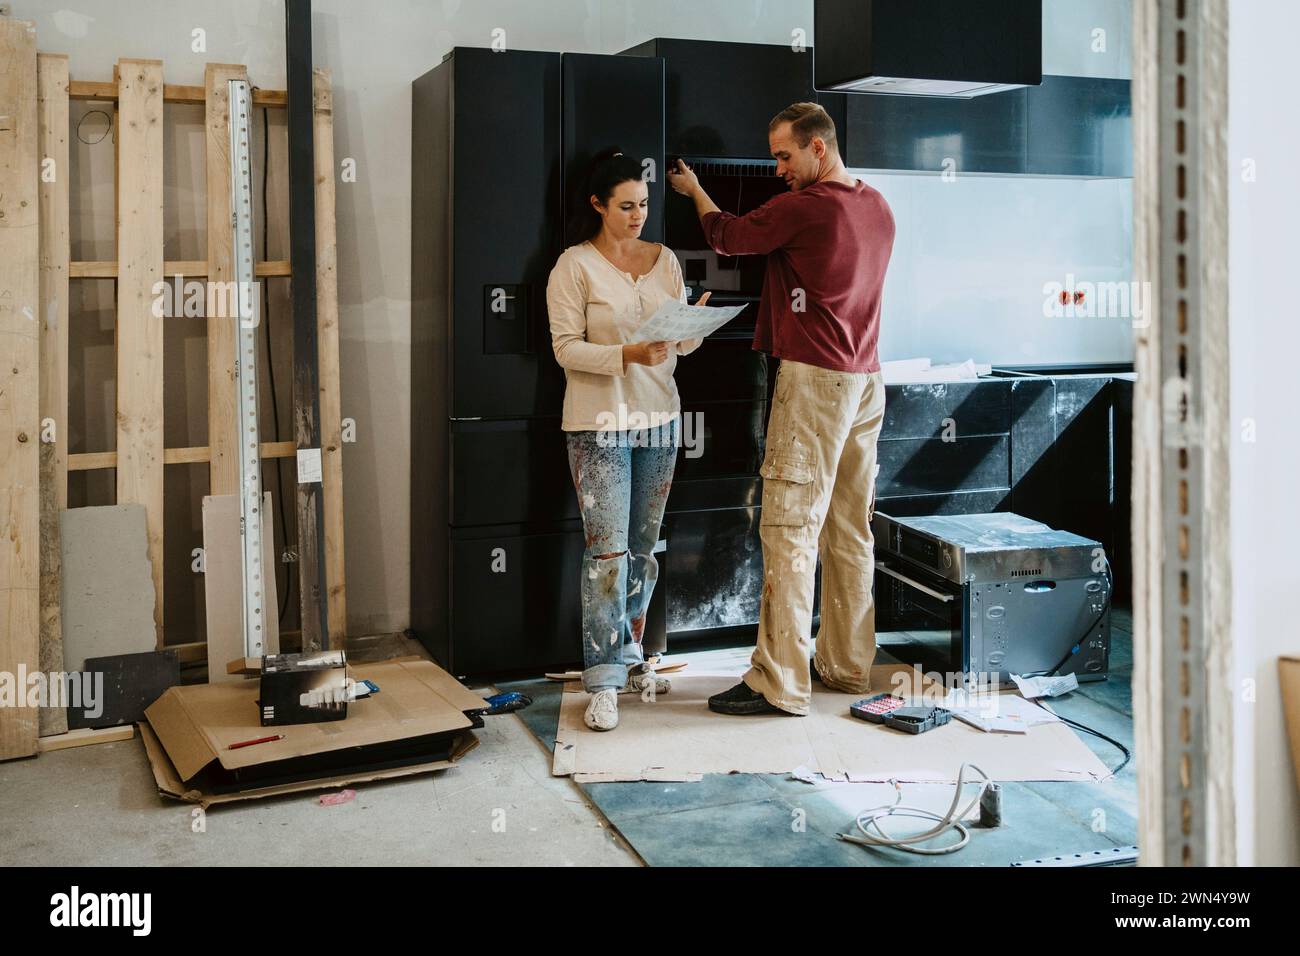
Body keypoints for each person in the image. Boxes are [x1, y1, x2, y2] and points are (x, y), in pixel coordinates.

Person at [667, 102, 896, 717]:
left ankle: (779, 682)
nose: (777, 169)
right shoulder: (877, 206)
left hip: (815, 382)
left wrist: (695, 191)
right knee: (850, 528)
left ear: (819, 147)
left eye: (784, 156)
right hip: (866, 380)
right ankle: (847, 665)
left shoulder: (808, 207)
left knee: (790, 527)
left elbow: (729, 236)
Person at [547, 149, 703, 731]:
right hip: (598, 424)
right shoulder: (574, 267)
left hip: (660, 419)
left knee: (643, 549)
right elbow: (565, 349)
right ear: (598, 205)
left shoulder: (665, 260)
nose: (638, 216)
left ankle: (634, 658)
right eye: (626, 206)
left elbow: (680, 348)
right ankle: (604, 680)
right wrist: (628, 354)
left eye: (644, 205)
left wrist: (692, 327)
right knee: (607, 555)